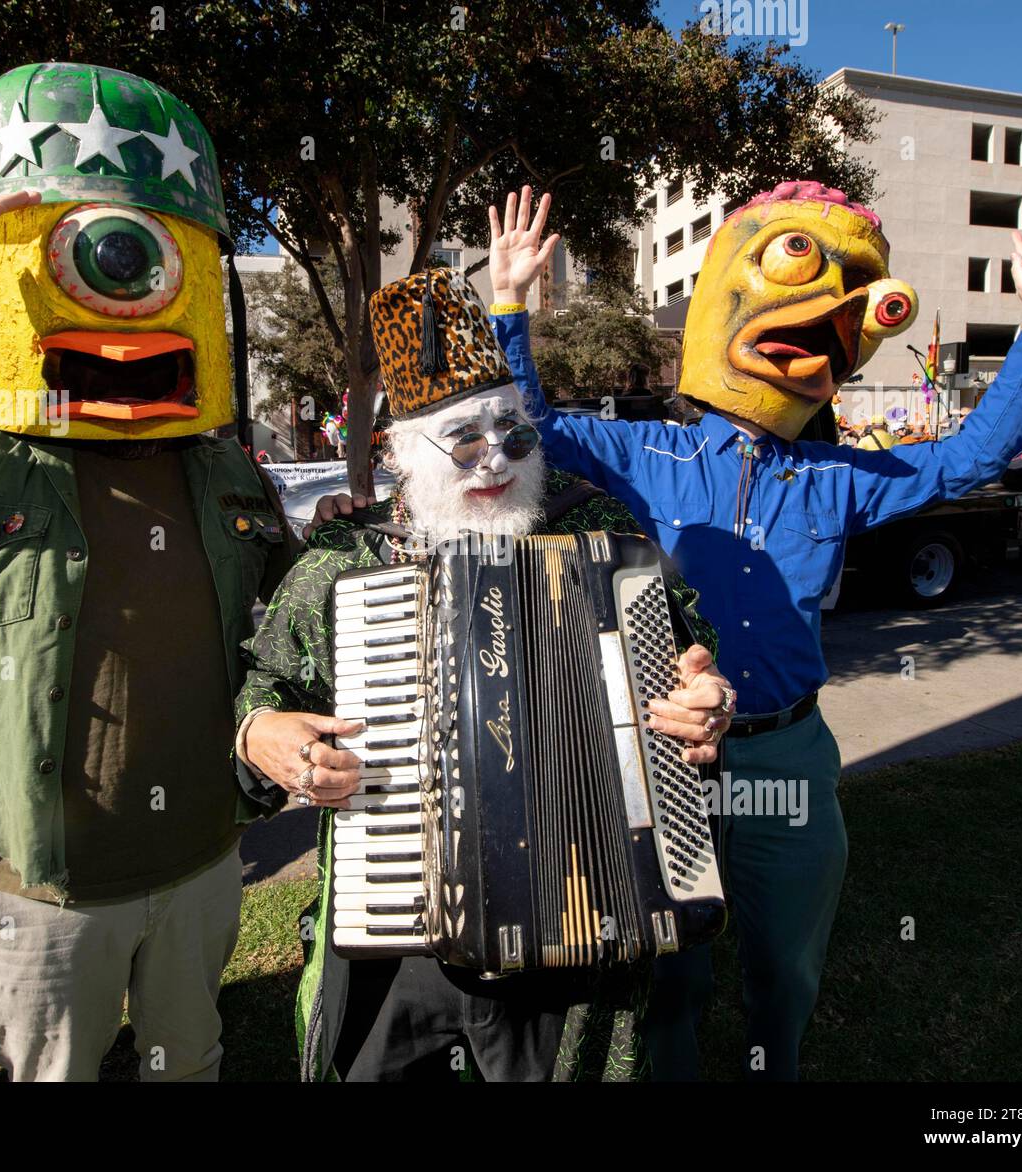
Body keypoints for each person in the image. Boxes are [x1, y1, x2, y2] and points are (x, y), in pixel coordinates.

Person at [476, 184, 1022, 1081]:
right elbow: (528, 428)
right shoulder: (647, 454)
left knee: (786, 968)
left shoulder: (835, 477)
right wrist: (509, 302)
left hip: (789, 753)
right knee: (668, 973)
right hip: (669, 753)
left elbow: (966, 458)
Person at [0, 63, 296, 1081]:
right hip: (37, 884)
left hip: (205, 861)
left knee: (185, 1065)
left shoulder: (230, 470)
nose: (130, 292)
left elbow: (287, 639)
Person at [235, 267, 736, 1081]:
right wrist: (266, 734)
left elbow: (694, 649)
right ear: (401, 451)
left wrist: (704, 698)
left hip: (574, 925)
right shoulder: (347, 563)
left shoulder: (599, 528)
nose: (495, 459)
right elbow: (265, 693)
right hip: (396, 941)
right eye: (464, 438)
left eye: (514, 432)